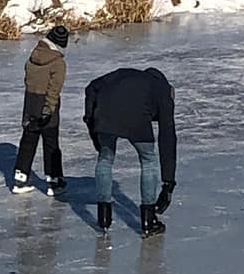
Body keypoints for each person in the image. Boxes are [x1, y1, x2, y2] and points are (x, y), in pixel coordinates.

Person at [83, 67, 176, 236]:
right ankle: (148, 220)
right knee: (148, 160)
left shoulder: (122, 75)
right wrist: (168, 184)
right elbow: (167, 137)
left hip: (106, 116)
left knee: (105, 159)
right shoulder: (162, 90)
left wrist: (90, 120)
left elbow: (92, 87)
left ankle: (104, 218)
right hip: (137, 121)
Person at [12, 25, 69, 196]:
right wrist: (48, 110)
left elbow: (28, 80)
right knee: (51, 144)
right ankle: (54, 182)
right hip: (47, 105)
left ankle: (20, 179)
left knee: (28, 141)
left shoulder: (33, 56)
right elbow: (54, 89)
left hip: (30, 103)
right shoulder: (58, 63)